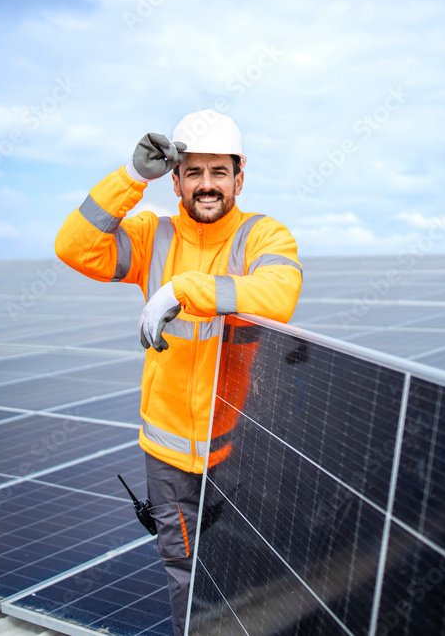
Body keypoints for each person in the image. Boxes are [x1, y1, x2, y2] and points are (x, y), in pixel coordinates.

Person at [54, 109, 302, 635]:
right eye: (194, 172)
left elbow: (279, 294)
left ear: (239, 178)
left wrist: (183, 289)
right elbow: (73, 247)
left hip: (236, 453)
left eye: (219, 172)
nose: (207, 184)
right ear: (176, 181)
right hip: (166, 458)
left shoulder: (263, 235)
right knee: (185, 576)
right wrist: (130, 178)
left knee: (247, 576)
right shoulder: (153, 236)